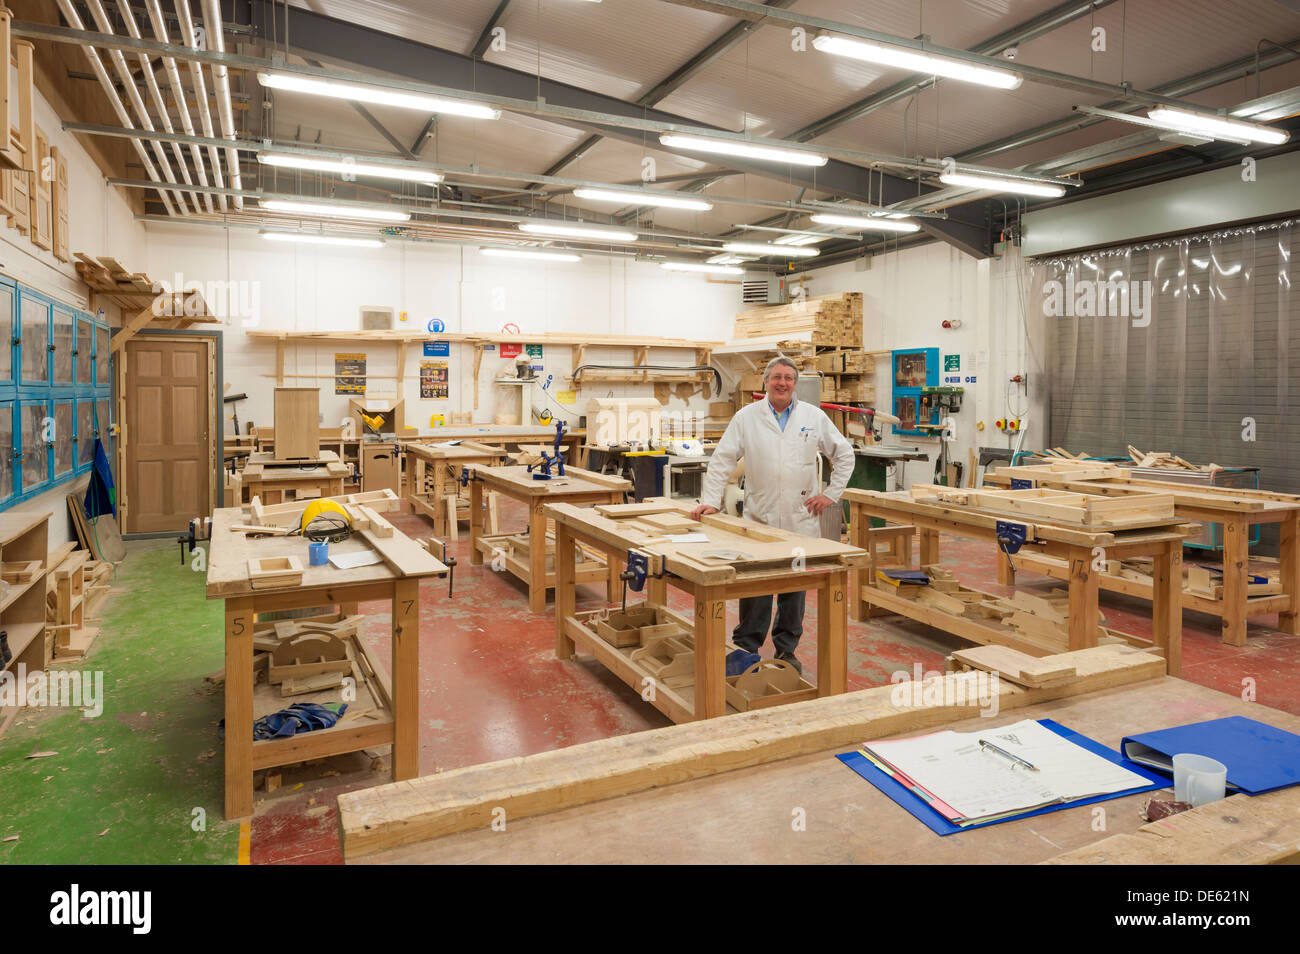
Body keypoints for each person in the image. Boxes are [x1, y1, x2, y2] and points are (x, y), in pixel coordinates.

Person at [692, 356, 855, 674]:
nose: (782, 383)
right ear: (765, 382)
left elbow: (844, 454)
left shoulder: (813, 416)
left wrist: (831, 495)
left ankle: (786, 651)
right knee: (756, 588)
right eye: (776, 377)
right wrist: (711, 501)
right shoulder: (746, 417)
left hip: (800, 521)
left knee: (794, 590)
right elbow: (723, 459)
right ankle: (746, 647)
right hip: (759, 520)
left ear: (795, 383)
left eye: (788, 378)